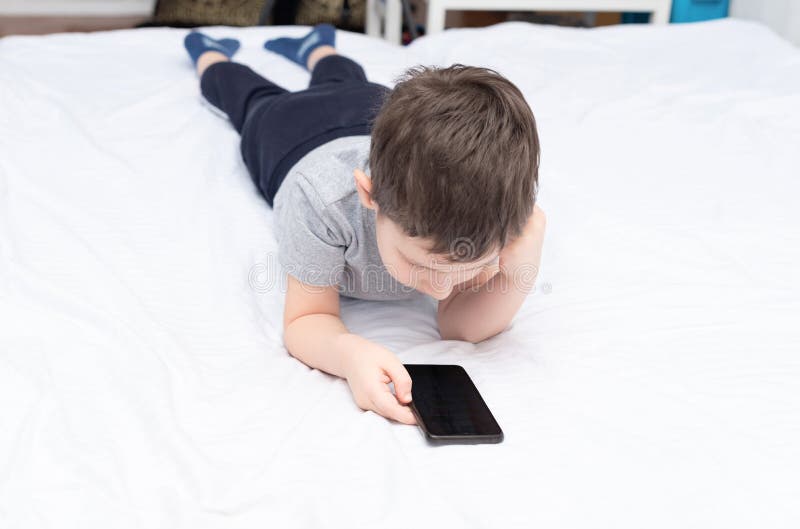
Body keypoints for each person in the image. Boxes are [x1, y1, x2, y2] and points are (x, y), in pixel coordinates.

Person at [183, 24, 546, 426]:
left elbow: (459, 327)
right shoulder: (322, 204)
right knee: (252, 98)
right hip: (289, 133)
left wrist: (517, 272)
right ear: (369, 196)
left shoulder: (489, 213)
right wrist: (347, 352)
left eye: (468, 268)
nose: (442, 288)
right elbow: (305, 319)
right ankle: (211, 56)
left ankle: (317, 49)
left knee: (345, 79)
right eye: (422, 266)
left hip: (366, 106)